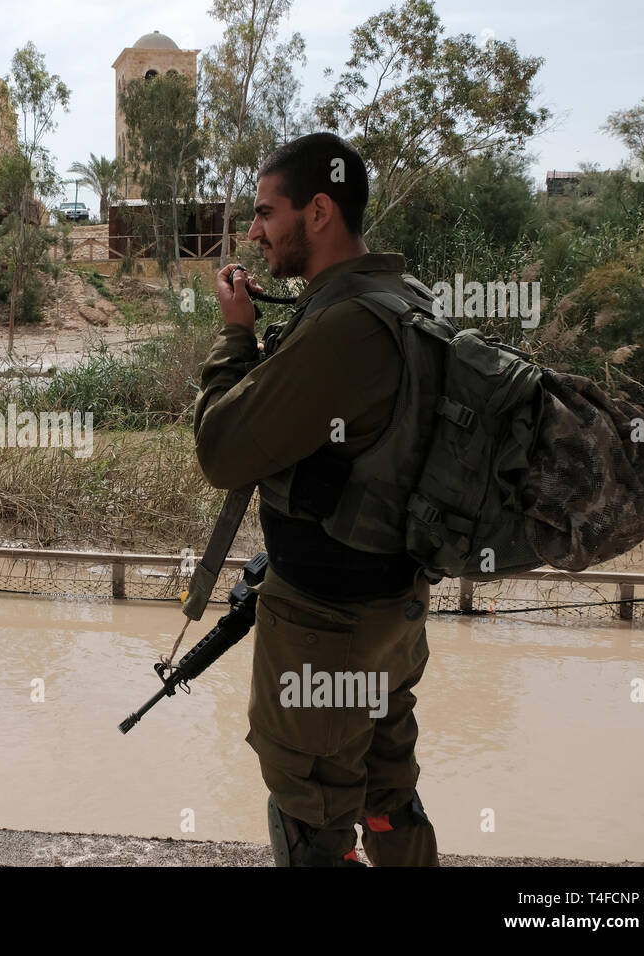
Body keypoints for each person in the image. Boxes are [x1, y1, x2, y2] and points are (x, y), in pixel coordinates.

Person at [193, 132, 440, 867]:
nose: (255, 232)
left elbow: (222, 449)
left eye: (268, 212)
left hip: (324, 625)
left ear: (320, 211)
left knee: (311, 816)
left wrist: (236, 339)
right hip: (395, 610)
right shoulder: (403, 298)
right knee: (387, 794)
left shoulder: (343, 326)